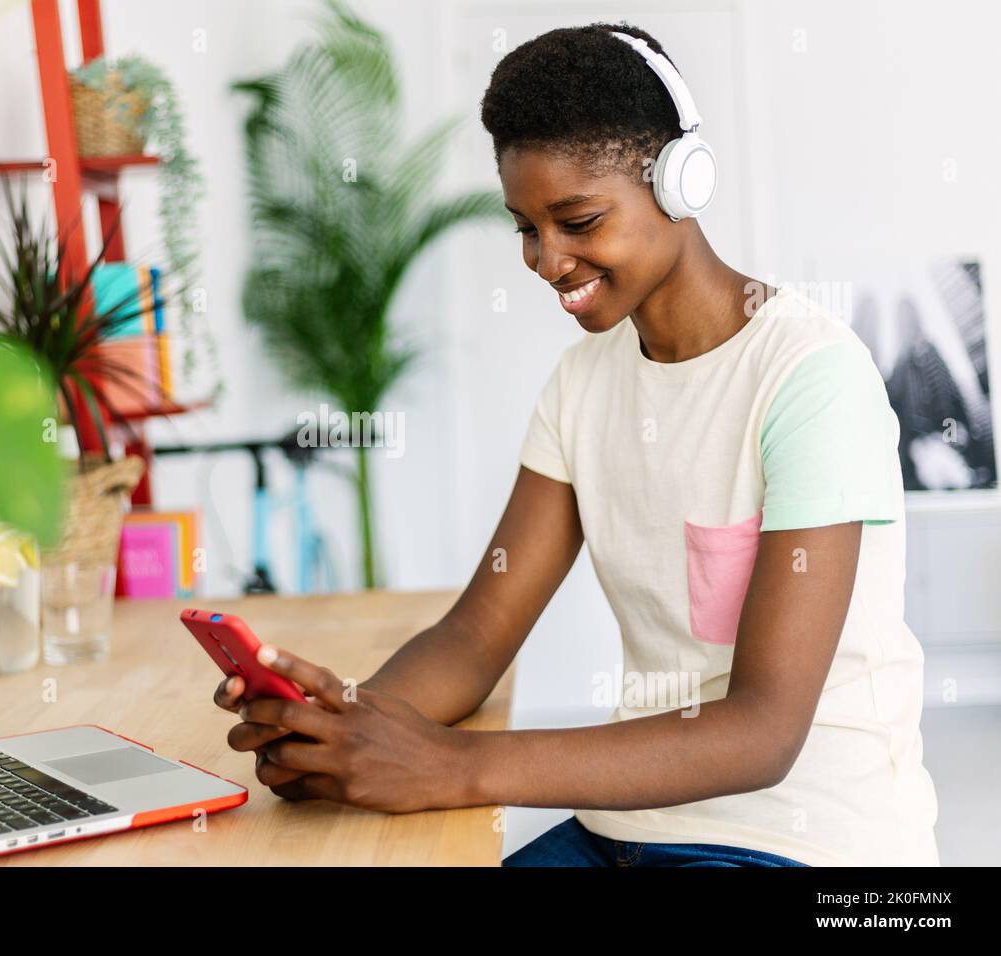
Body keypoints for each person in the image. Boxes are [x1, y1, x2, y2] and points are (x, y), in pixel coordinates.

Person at [212, 21, 940, 867]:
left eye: (579, 220)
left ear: (679, 182)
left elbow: (763, 731)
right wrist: (344, 722)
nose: (547, 260)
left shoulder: (812, 379)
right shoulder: (583, 382)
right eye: (526, 226)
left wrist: (452, 765)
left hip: (800, 842)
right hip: (627, 830)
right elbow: (478, 634)